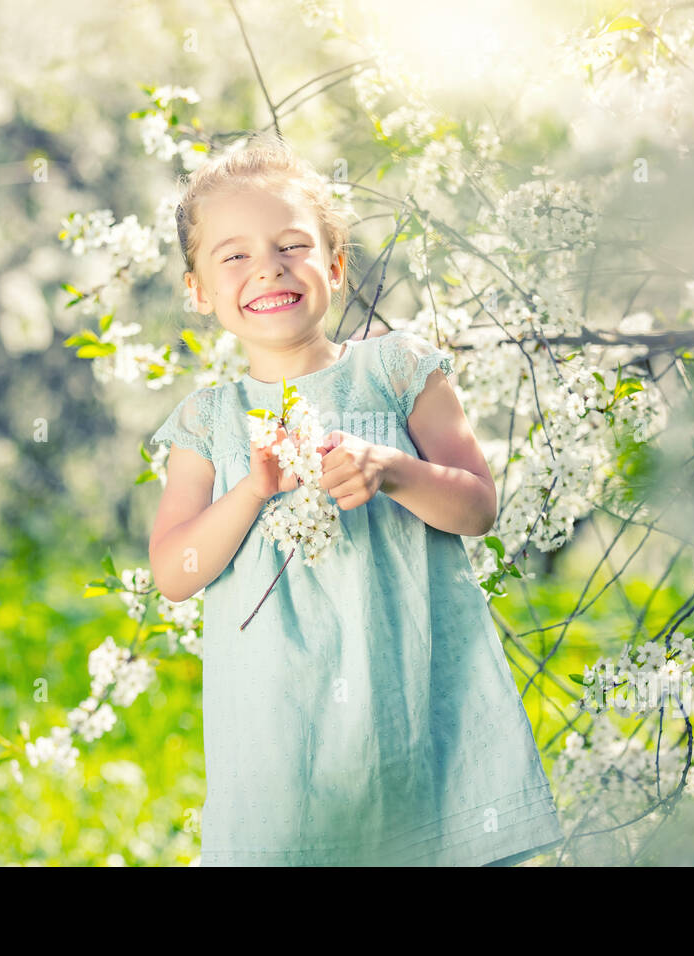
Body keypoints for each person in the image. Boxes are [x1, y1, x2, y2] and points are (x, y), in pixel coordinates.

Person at [148, 131, 564, 866]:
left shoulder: (397, 369)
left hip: (412, 693)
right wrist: (252, 489)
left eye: (292, 245)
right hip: (284, 730)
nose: (268, 268)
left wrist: (392, 469)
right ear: (199, 292)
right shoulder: (206, 420)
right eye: (233, 254)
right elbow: (175, 573)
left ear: (335, 265)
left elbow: (476, 507)